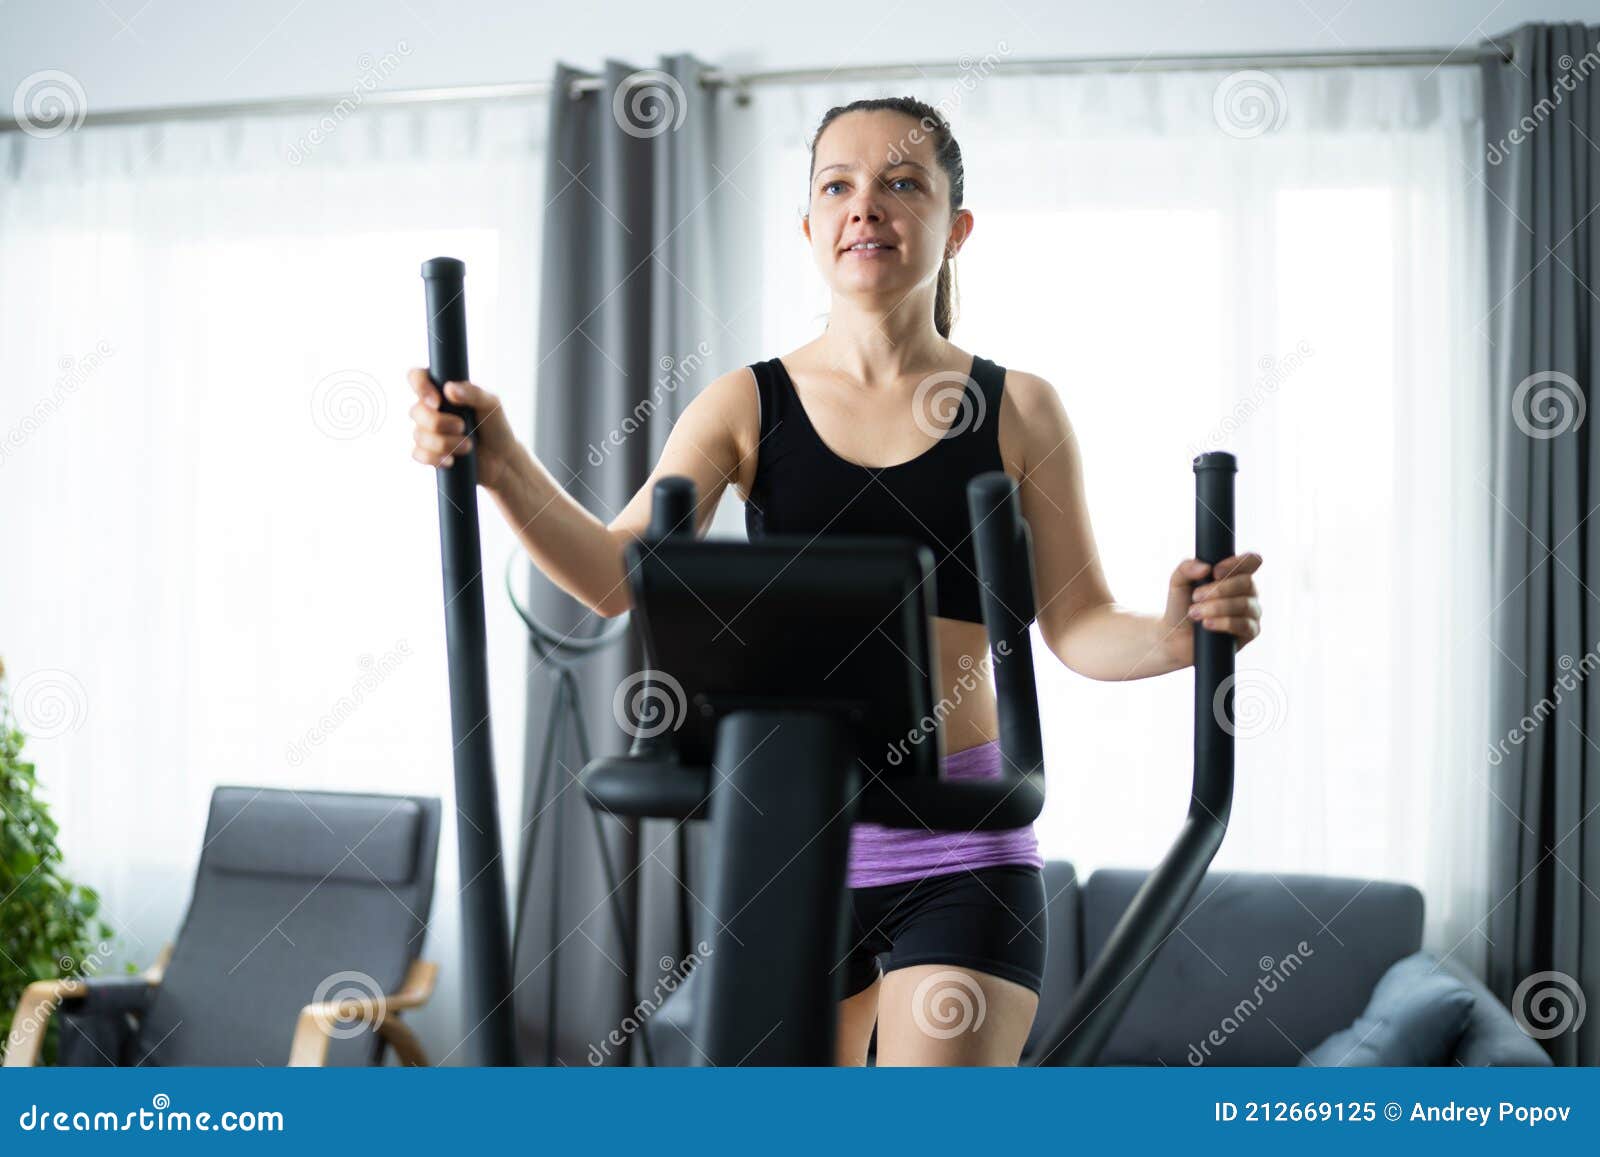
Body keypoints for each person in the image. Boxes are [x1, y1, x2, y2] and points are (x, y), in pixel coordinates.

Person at [407, 95, 1263, 1066]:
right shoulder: (746, 401)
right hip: (785, 848)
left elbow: (1079, 625)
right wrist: (503, 458)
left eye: (902, 183)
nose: (867, 206)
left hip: (959, 843)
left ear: (957, 227)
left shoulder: (1019, 407)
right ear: (809, 226)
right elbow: (615, 577)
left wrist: (1177, 629)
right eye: (838, 186)